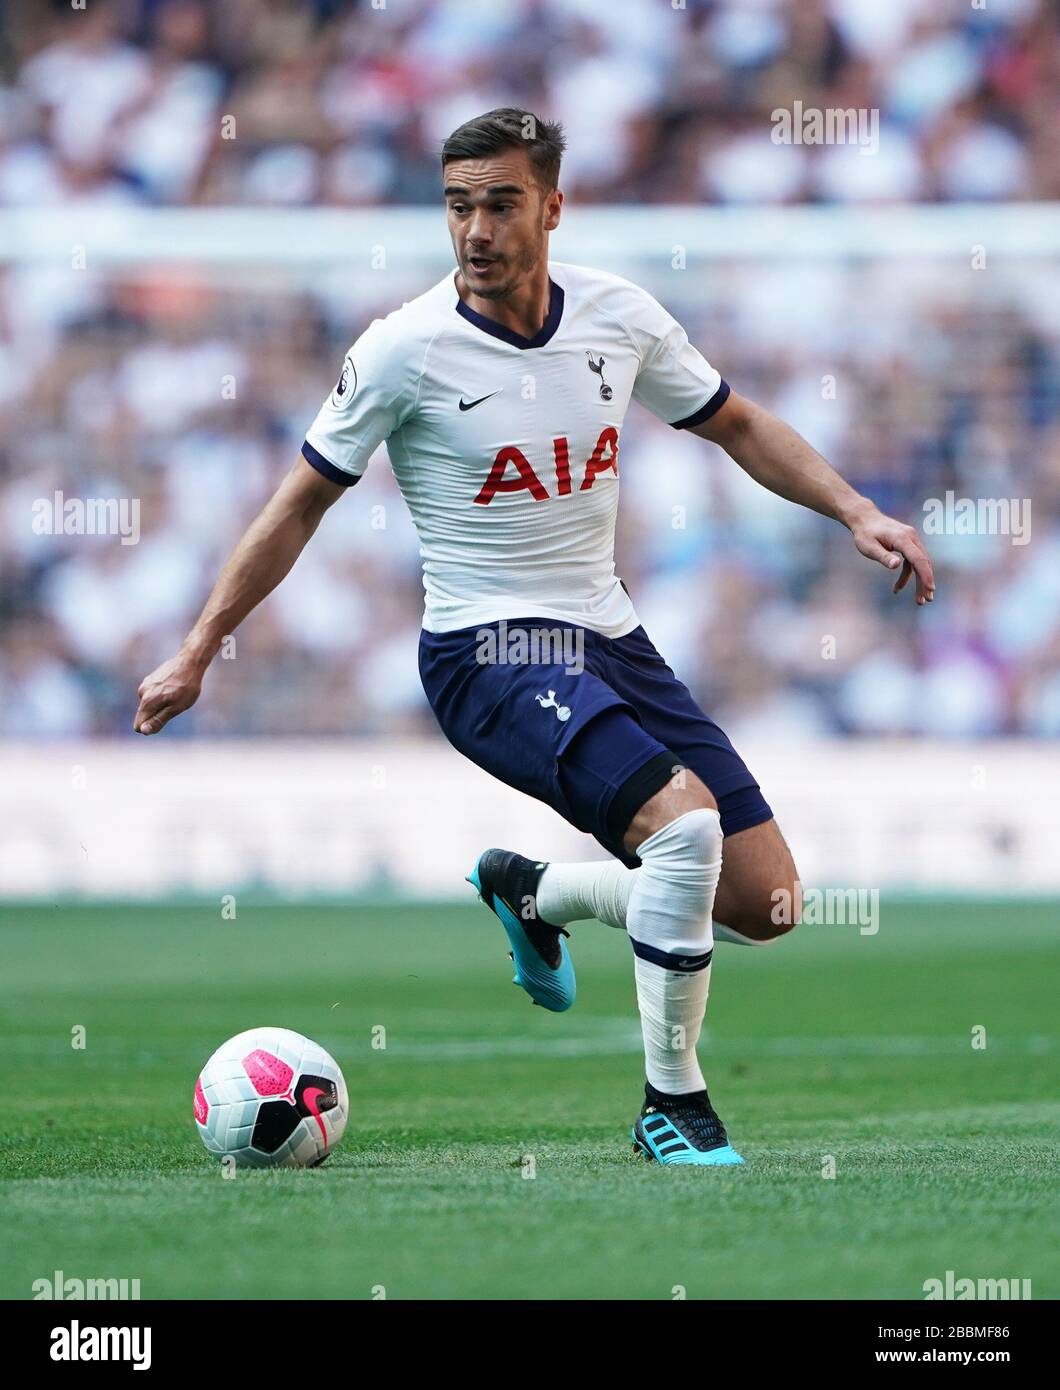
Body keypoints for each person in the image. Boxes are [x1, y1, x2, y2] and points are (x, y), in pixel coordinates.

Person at [134, 108, 935, 1166]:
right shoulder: (401, 350)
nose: (475, 229)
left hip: (609, 638)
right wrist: (200, 647)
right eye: (459, 204)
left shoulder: (617, 317)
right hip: (486, 650)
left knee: (766, 902)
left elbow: (734, 422)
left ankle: (534, 890)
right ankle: (672, 1105)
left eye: (501, 203)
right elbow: (294, 506)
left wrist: (855, 511)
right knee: (682, 827)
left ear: (551, 206)